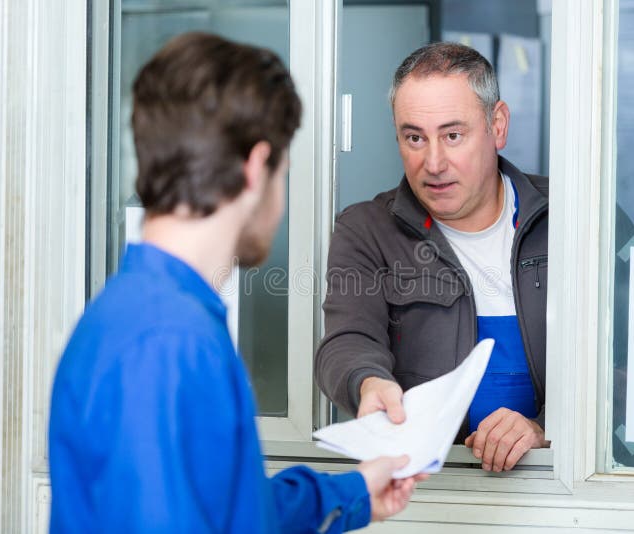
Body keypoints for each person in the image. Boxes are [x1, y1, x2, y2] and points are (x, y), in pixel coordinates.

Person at [48, 33, 425, 533]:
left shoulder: (144, 315)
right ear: (254, 169)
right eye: (283, 173)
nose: (281, 203)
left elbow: (227, 506)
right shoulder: (168, 342)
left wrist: (352, 492)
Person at [315, 42, 550, 473]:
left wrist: (545, 427)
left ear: (497, 125)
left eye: (452, 135)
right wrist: (368, 382)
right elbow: (347, 340)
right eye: (415, 138)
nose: (434, 163)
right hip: (429, 488)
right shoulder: (366, 229)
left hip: (557, 486)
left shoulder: (572, 217)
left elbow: (623, 362)